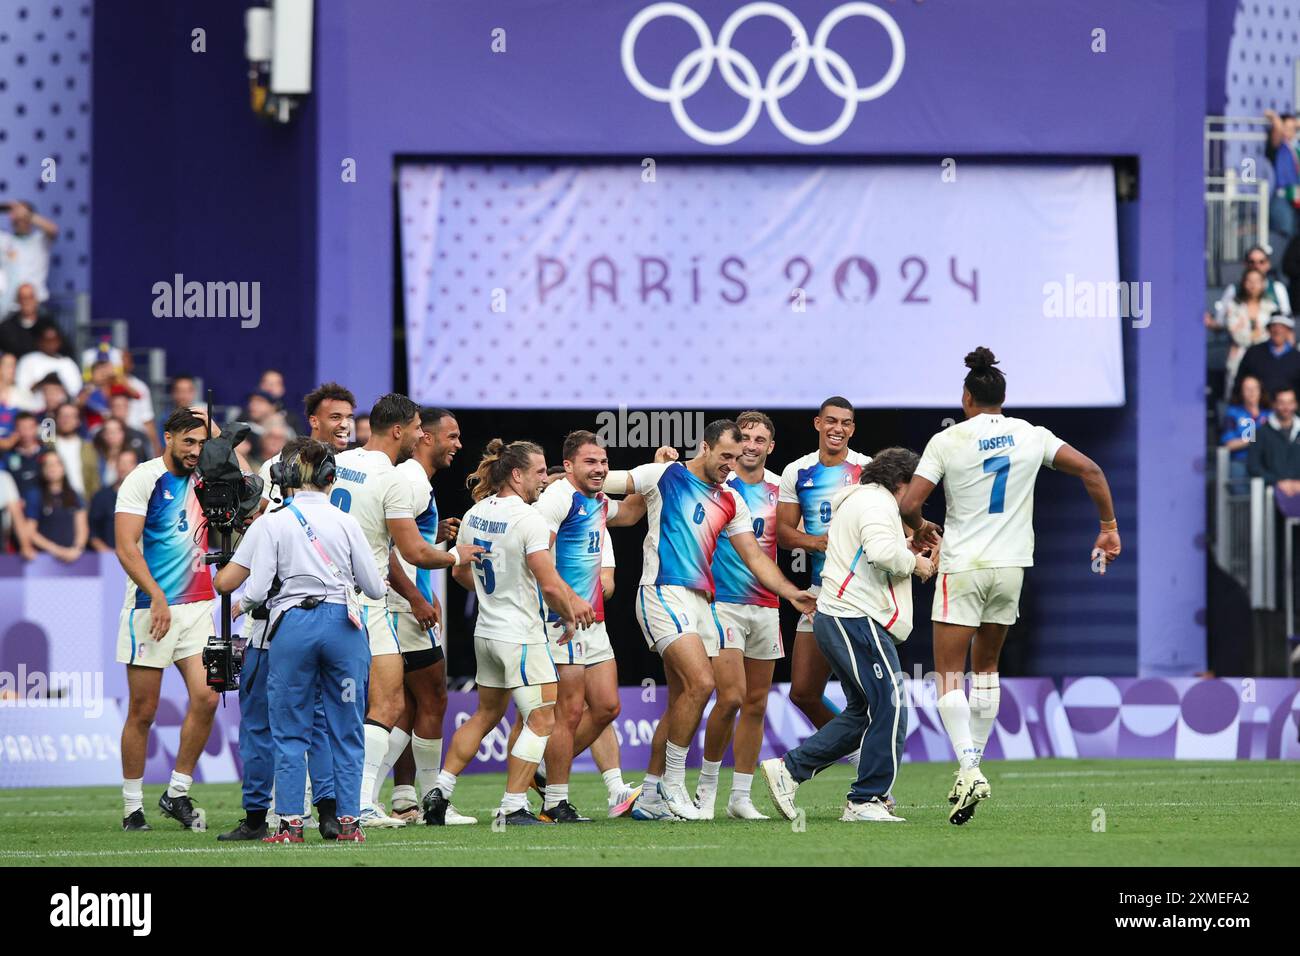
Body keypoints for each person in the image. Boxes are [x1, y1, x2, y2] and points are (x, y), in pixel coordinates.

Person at [898, 347, 1121, 825]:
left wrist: (921, 529)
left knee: (948, 674)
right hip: (1012, 567)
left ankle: (967, 767)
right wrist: (1108, 526)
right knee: (989, 667)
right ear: (1003, 397)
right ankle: (972, 768)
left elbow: (910, 503)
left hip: (964, 565)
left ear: (966, 397)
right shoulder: (1031, 435)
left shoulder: (949, 441)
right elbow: (1093, 471)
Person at [602, 420, 816, 821]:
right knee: (704, 684)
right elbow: (603, 479)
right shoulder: (666, 474)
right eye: (725, 457)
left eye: (736, 459)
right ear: (704, 447)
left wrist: (790, 593)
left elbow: (755, 557)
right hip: (662, 592)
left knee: (683, 698)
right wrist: (556, 483)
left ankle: (649, 795)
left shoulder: (731, 498)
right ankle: (675, 785)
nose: (731, 466)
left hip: (702, 604)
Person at [214, 438, 387, 844]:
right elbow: (375, 588)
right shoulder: (346, 521)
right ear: (331, 478)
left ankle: (291, 823)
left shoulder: (272, 522)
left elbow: (254, 591)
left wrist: (251, 602)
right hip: (343, 626)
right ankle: (349, 823)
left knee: (289, 729)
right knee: (346, 728)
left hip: (292, 625)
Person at [762, 448, 936, 824]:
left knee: (862, 713)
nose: (920, 498)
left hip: (842, 615)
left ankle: (789, 770)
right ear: (900, 482)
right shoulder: (876, 503)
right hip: (855, 617)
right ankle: (866, 798)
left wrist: (906, 547)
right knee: (889, 704)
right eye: (917, 489)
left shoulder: (863, 500)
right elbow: (881, 554)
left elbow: (872, 551)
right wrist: (916, 562)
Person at [331, 393, 481, 828]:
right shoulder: (402, 479)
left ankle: (386, 798)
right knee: (396, 700)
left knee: (376, 702)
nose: (421, 436)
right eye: (419, 428)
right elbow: (408, 549)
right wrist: (454, 557)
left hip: (336, 594)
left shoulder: (342, 463)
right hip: (377, 600)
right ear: (402, 431)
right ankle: (364, 801)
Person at [423, 439, 588, 826]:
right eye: (540, 471)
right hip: (521, 635)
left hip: (487, 631)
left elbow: (461, 571)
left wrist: (491, 595)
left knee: (485, 715)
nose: (545, 479)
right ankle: (513, 806)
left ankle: (440, 793)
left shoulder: (475, 512)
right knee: (543, 718)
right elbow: (549, 584)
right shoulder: (529, 519)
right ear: (517, 474)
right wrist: (569, 614)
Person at [511, 429, 646, 823]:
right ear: (568, 465)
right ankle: (555, 800)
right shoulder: (557, 498)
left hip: (593, 623)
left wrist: (659, 469)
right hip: (561, 621)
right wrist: (566, 603)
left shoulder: (598, 501)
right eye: (590, 462)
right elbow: (535, 555)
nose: (600, 468)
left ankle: (540, 769)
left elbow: (634, 511)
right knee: (567, 713)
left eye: (603, 462)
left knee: (606, 706)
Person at [113, 408, 221, 831]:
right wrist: (156, 595)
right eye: (188, 442)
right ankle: (131, 806)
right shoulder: (144, 478)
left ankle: (176, 793)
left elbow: (254, 489)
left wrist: (216, 436)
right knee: (144, 710)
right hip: (149, 608)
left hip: (197, 606)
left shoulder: (208, 476)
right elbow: (125, 546)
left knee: (208, 696)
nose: (196, 450)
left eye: (201, 443)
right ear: (169, 438)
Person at [373, 407, 476, 825]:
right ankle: (433, 804)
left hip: (401, 604)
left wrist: (432, 536)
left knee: (410, 705)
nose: (458, 445)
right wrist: (417, 596)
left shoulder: (414, 483)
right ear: (427, 438)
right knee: (430, 696)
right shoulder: (411, 482)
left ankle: (401, 798)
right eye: (451, 436)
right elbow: (391, 556)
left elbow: (401, 544)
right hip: (402, 608)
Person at [697, 411, 783, 820]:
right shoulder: (716, 483)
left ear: (770, 447)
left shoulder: (782, 489)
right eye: (745, 437)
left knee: (756, 703)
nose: (751, 445)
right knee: (729, 697)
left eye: (760, 439)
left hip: (766, 605)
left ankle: (741, 797)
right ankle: (706, 788)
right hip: (722, 602)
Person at [776, 397, 871, 737]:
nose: (838, 429)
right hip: (820, 593)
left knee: (866, 694)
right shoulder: (797, 471)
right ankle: (856, 751)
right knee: (802, 693)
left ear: (853, 428)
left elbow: (889, 522)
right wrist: (816, 542)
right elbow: (784, 534)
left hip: (862, 594)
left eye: (845, 423)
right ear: (818, 424)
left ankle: (872, 767)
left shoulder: (867, 469)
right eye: (831, 421)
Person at [20, 450, 87, 561]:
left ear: (63, 468)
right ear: (42, 469)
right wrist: (56, 550)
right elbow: (30, 531)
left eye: (56, 464)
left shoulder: (75, 495)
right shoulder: (35, 495)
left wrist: (77, 549)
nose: (52, 468)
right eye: (48, 464)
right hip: (45, 559)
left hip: (74, 558)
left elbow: (82, 526)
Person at [0, 200, 58, 313]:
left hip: (36, 305)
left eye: (23, 218)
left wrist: (25, 214)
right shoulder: (4, 240)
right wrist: (3, 208)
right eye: (16, 218)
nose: (20, 220)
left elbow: (53, 229)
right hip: (9, 308)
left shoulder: (40, 240)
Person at [1209, 245, 1293, 323]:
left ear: (1268, 264)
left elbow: (1286, 319)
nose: (1256, 266)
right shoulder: (1233, 289)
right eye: (1251, 262)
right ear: (1245, 264)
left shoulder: (1277, 288)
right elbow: (1219, 321)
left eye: (1261, 262)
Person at [1224, 268, 1276, 388]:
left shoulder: (1271, 307)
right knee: (1235, 390)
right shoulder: (1234, 306)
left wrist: (1256, 336)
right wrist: (1256, 335)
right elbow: (1236, 335)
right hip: (1239, 357)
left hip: (1264, 358)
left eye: (1257, 281)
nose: (1253, 285)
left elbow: (1272, 335)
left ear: (1263, 283)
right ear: (1243, 282)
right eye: (1249, 281)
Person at [1247, 387, 1300, 493]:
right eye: (1282, 403)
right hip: (1270, 494)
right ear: (1274, 404)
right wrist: (1277, 482)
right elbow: (1253, 466)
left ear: (1296, 404)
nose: (1286, 407)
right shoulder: (1259, 432)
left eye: (1290, 402)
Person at [1236, 315, 1300, 400]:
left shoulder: (1297, 357)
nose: (1277, 330)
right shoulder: (1254, 353)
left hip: (1287, 410)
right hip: (1259, 408)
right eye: (1274, 326)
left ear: (1288, 331)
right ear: (1268, 329)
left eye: (1282, 327)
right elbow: (1240, 380)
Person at [89, 447, 139, 552]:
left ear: (136, 467)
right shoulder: (101, 496)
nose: (124, 467)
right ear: (115, 466)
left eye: (128, 463)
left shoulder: (147, 496)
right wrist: (107, 553)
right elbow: (92, 531)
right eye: (121, 462)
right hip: (107, 558)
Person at [1221, 374, 1269, 482]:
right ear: (1241, 392)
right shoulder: (1233, 413)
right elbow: (1229, 444)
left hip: (1266, 462)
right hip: (1242, 461)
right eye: (1247, 389)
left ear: (1261, 391)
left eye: (1255, 388)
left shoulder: (1270, 414)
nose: (1251, 392)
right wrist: (1255, 439)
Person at [1264, 109, 1300, 250]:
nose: (1290, 132)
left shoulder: (1295, 148)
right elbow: (1278, 132)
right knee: (1283, 234)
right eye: (1287, 128)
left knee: (1294, 237)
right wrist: (1275, 118)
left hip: (1295, 198)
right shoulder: (1277, 146)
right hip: (1282, 199)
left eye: (1293, 129)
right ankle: (1276, 269)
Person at [15, 325, 81, 399]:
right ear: (40, 342)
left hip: (61, 407)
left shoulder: (68, 363)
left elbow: (75, 391)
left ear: (59, 342)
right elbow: (22, 390)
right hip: (33, 407)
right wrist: (44, 381)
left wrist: (57, 383)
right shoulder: (28, 360)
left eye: (54, 341)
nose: (50, 344)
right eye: (47, 341)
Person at [51, 402, 98, 499]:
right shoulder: (48, 446)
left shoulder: (89, 448)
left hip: (82, 499)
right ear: (57, 419)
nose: (66, 420)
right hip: (55, 499)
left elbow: (94, 478)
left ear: (78, 421)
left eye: (71, 416)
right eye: (63, 416)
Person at [0, 283, 57, 358]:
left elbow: (64, 349)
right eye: (23, 298)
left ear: (36, 299)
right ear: (18, 301)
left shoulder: (47, 325)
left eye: (30, 297)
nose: (27, 302)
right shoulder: (6, 328)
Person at [3, 411, 43, 497]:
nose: (27, 433)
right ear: (15, 430)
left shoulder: (46, 452)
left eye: (30, 428)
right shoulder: (8, 455)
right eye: (22, 428)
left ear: (36, 428)